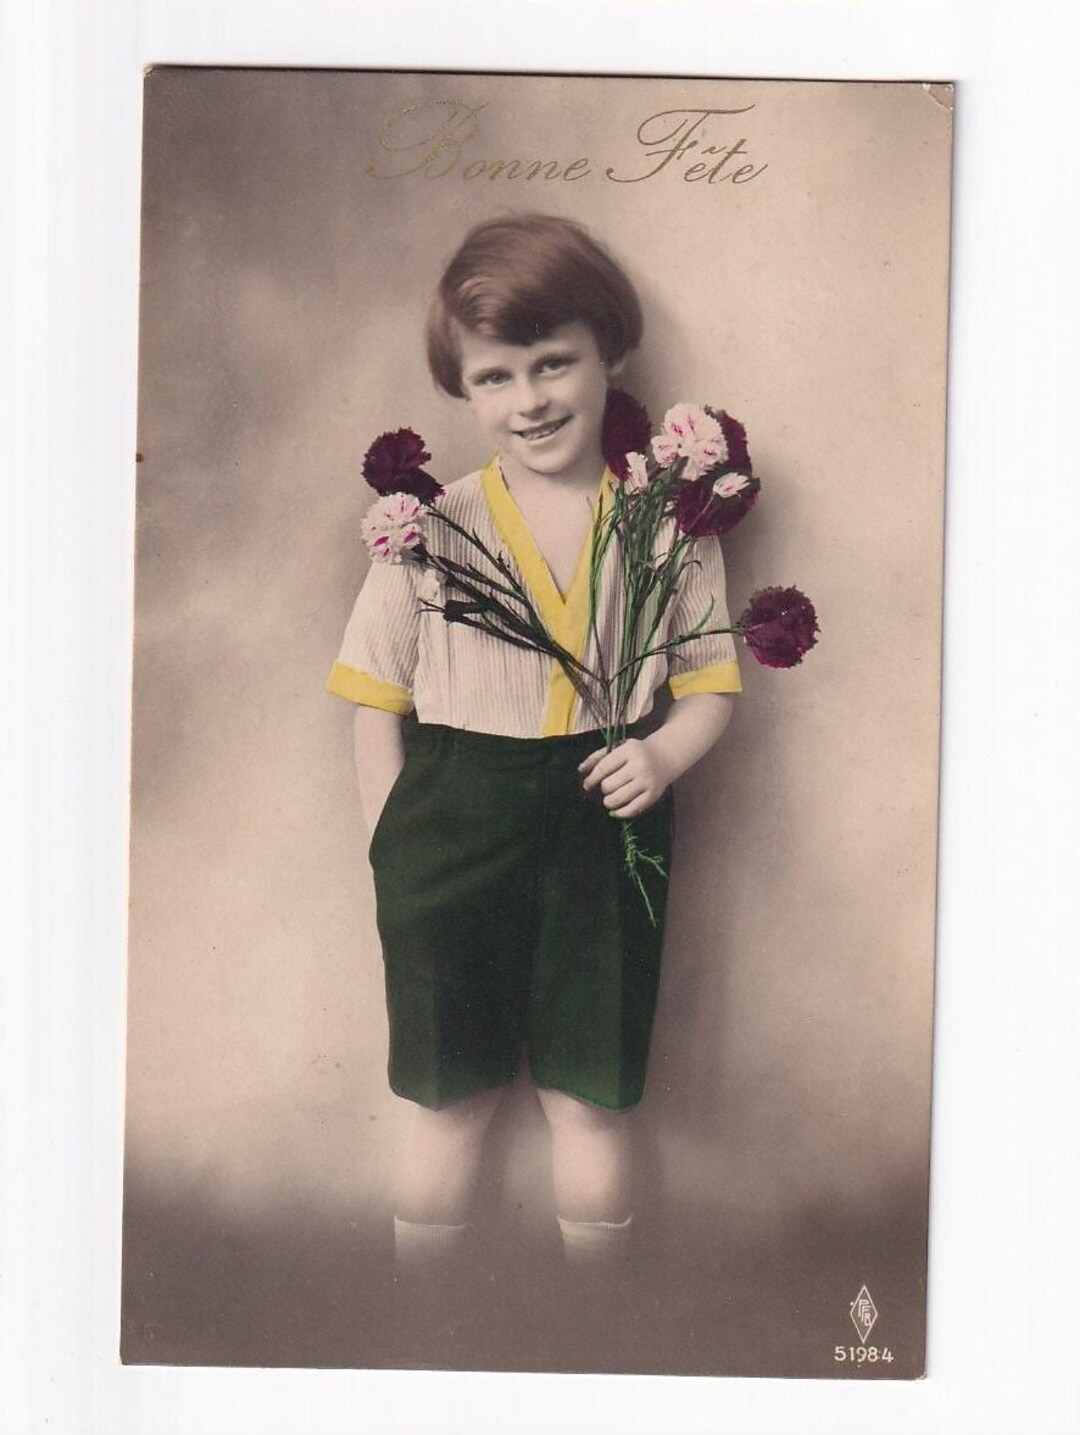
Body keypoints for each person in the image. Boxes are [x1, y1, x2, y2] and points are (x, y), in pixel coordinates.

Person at [327, 213, 741, 1303]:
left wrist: (660, 758)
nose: (532, 399)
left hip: (605, 821)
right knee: (446, 1092)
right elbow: (374, 697)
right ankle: (425, 1323)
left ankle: (596, 1324)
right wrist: (392, 846)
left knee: (587, 1095)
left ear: (611, 354)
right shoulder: (428, 527)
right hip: (453, 817)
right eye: (496, 376)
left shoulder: (664, 523)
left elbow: (707, 686)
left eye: (555, 362)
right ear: (464, 391)